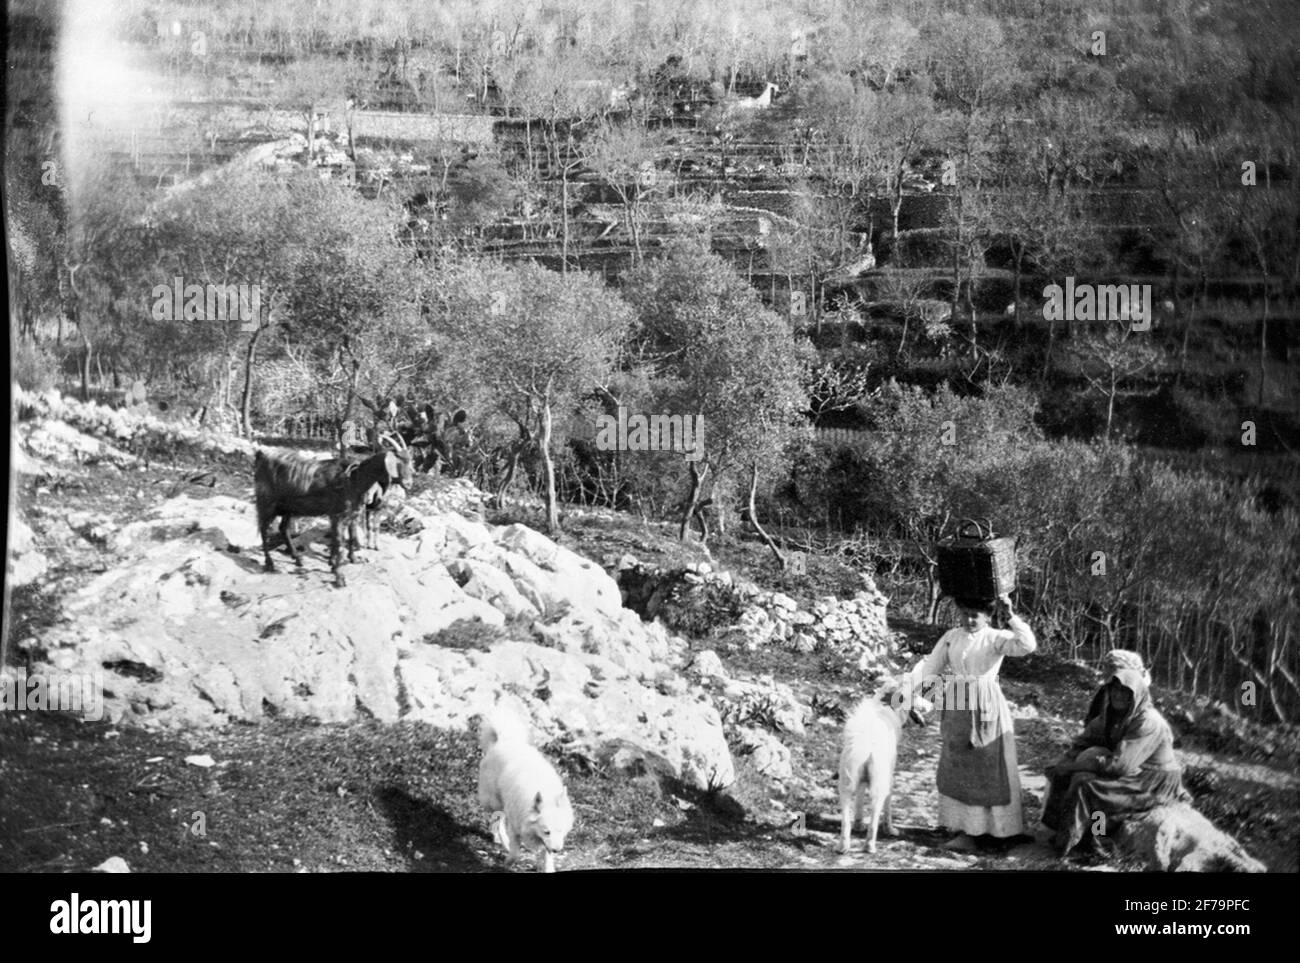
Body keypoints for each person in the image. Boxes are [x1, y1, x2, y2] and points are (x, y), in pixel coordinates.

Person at [909, 592, 1037, 849]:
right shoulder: (951, 638)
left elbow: (1027, 645)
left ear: (988, 616)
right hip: (957, 699)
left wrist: (1011, 616)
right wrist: (919, 700)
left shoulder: (995, 638)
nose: (969, 620)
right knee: (958, 762)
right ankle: (964, 829)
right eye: (965, 614)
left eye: (975, 615)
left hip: (986, 701)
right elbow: (931, 669)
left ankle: (1001, 830)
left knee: (989, 763)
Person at [1041, 668, 1186, 858]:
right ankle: (1066, 832)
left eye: (1125, 691)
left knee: (1091, 789)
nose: (1118, 695)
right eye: (1114, 689)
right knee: (1061, 775)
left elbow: (1120, 765)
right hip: (1133, 771)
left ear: (1136, 695)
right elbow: (1084, 741)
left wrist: (1074, 766)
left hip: (1153, 780)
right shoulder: (1112, 716)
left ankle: (1096, 840)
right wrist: (1065, 762)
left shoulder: (1147, 722)